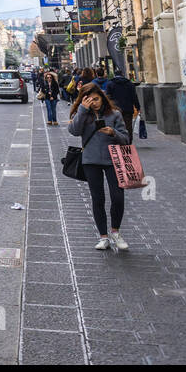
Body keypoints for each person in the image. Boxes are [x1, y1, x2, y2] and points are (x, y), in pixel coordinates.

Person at [68, 83, 131, 251]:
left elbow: (126, 139)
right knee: (98, 199)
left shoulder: (115, 114)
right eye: (89, 99)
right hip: (91, 161)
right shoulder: (82, 115)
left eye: (96, 99)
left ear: (102, 98)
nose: (94, 102)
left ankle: (115, 232)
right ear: (83, 100)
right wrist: (82, 109)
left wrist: (113, 133)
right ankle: (103, 237)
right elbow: (73, 131)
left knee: (118, 197)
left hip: (113, 160)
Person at [103, 68, 140, 132]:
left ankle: (119, 139)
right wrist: (137, 106)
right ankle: (128, 140)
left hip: (115, 108)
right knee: (128, 126)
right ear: (122, 74)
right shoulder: (129, 84)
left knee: (116, 125)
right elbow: (134, 96)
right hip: (127, 108)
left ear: (115, 75)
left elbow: (108, 97)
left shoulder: (110, 84)